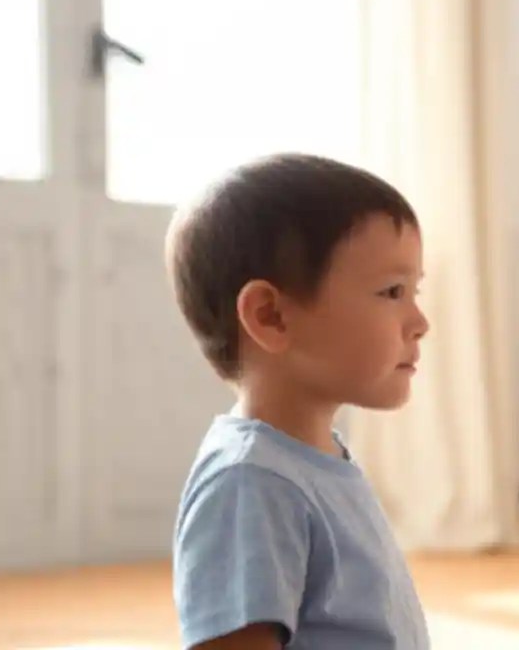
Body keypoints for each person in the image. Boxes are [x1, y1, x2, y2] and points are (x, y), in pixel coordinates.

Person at [165, 154, 431, 649]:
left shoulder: (313, 462)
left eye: (415, 291)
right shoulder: (250, 481)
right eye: (392, 291)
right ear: (271, 317)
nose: (419, 322)